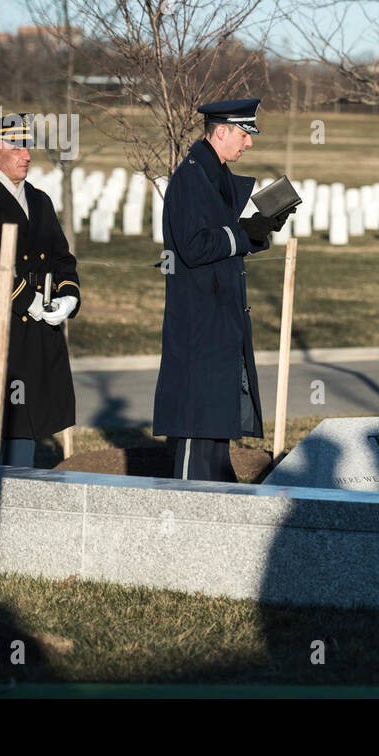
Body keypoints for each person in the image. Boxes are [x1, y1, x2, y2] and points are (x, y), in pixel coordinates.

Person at [152, 98, 292, 482]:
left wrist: (259, 227)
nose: (249, 144)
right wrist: (244, 233)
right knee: (197, 435)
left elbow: (225, 235)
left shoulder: (212, 175)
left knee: (215, 431)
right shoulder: (190, 178)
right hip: (199, 323)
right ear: (222, 131)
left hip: (218, 320)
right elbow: (194, 246)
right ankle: (179, 523)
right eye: (245, 134)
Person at [0, 113, 80, 467]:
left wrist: (69, 296)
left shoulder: (39, 200)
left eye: (28, 145)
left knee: (25, 438)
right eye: (18, 146)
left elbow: (61, 258)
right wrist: (30, 300)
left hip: (34, 339)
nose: (27, 154)